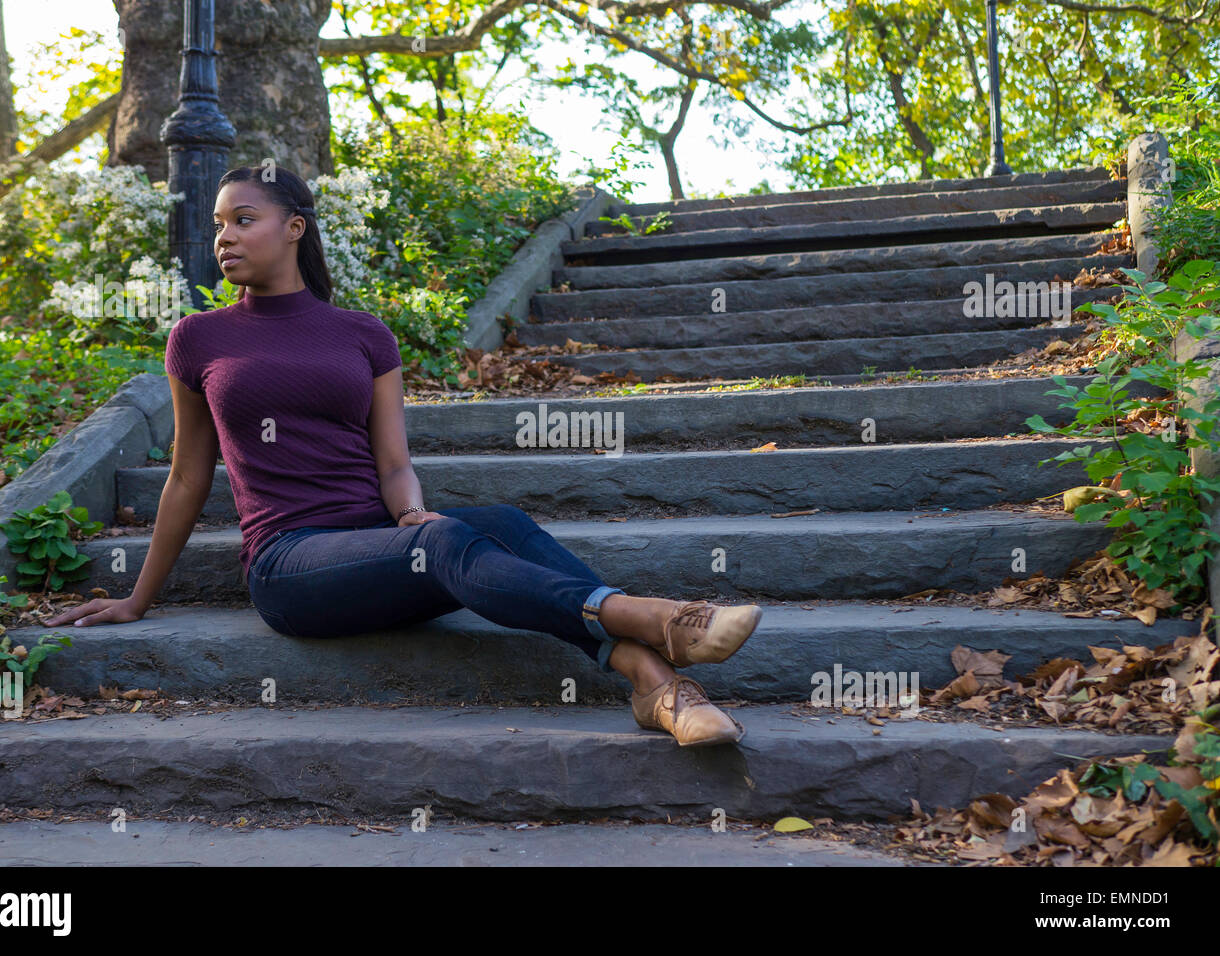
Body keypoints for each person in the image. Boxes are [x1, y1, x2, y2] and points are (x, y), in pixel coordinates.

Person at [47, 164, 765, 746]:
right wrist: (140, 598)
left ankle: (655, 683)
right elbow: (186, 476)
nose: (224, 237)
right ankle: (656, 619)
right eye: (218, 225)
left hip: (378, 539)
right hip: (291, 564)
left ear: (293, 228)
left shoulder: (364, 335)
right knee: (454, 542)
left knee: (504, 524)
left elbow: (393, 463)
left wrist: (411, 512)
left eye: (243, 219)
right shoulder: (199, 339)